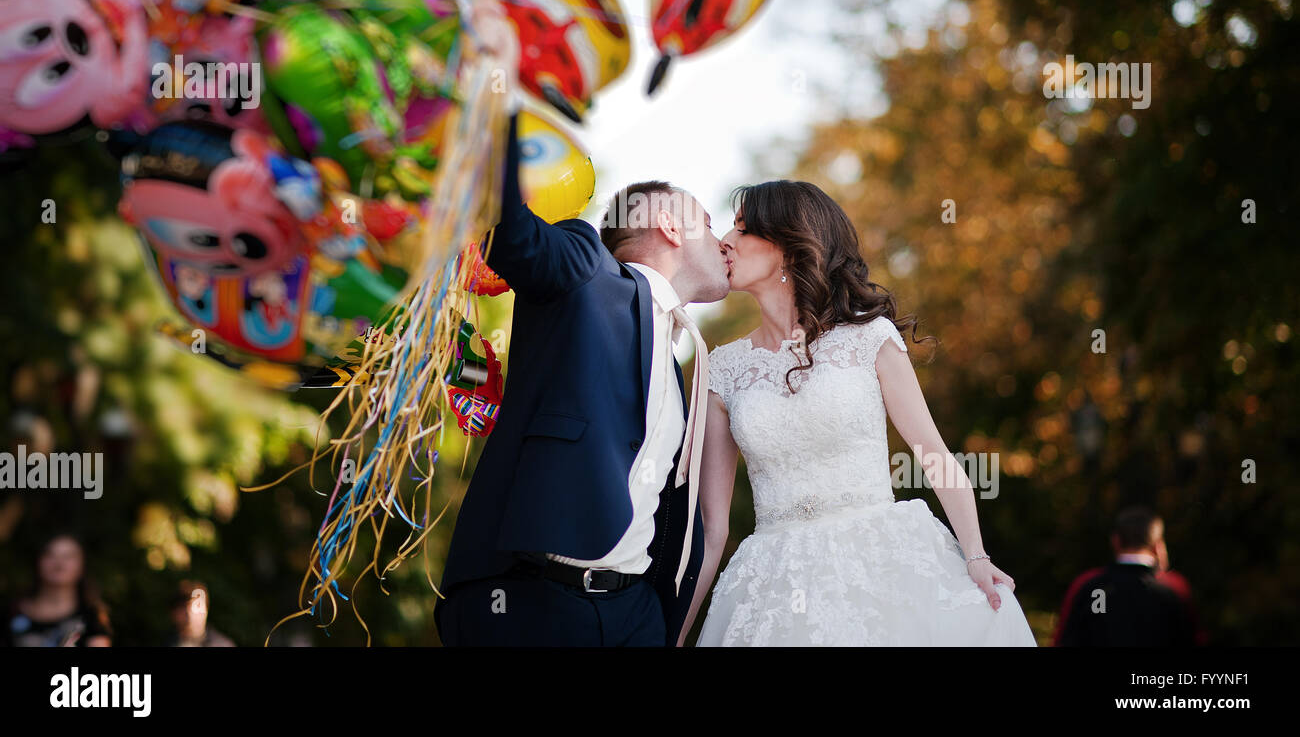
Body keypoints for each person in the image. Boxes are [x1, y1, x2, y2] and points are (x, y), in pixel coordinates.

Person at [682, 180, 1037, 646]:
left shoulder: (870, 337)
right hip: (770, 585)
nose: (726, 240)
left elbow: (931, 451)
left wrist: (975, 555)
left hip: (884, 564)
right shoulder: (723, 368)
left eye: (745, 229)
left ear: (790, 246)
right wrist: (677, 628)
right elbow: (713, 529)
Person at [434, 109, 730, 647]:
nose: (723, 242)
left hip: (636, 616)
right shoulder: (586, 269)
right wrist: (496, 98)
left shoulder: (678, 358)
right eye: (709, 223)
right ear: (672, 225)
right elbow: (515, 236)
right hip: (530, 606)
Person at [1054, 506, 1199, 646]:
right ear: (1157, 546)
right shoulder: (1175, 588)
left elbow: (1065, 638)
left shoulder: (1087, 585)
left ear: (1115, 541)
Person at [4, 533, 111, 647]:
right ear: (38, 561)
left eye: (68, 557)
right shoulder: (13, 612)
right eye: (50, 555)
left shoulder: (91, 617)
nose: (59, 564)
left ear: (82, 565)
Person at [166, 580, 235, 647]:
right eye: (183, 607)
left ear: (206, 608)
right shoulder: (165, 643)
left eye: (197, 606)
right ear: (174, 613)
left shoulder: (223, 645)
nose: (190, 613)